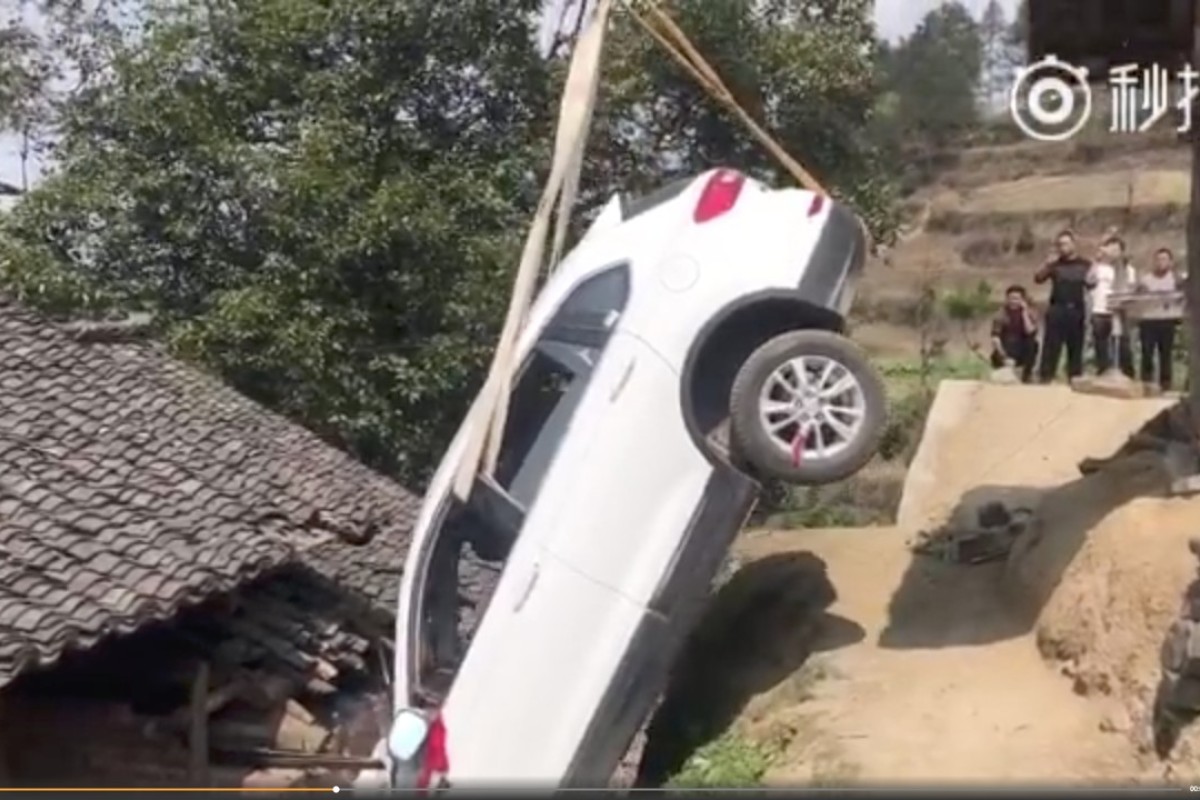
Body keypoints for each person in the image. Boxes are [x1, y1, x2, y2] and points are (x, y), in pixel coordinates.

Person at [1034, 229, 1094, 383]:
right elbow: (1038, 278)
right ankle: (1046, 377)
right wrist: (1046, 264)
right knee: (1051, 345)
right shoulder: (1055, 265)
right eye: (1060, 244)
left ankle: (1074, 377)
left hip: (1076, 309)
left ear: (1074, 244)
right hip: (1057, 308)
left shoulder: (1085, 264)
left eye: (1066, 243)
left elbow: (1091, 284)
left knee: (1076, 346)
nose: (1063, 247)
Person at [1087, 234, 1135, 376]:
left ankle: (1127, 373)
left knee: (1122, 344)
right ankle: (1103, 371)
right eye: (1110, 249)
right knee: (1101, 344)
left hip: (1119, 311)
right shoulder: (1099, 267)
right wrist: (1095, 261)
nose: (1112, 252)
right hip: (1100, 309)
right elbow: (1089, 281)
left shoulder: (1128, 269)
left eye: (1116, 250)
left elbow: (1130, 289)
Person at [1136, 246, 1182, 392]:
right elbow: (1137, 300)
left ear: (1170, 262)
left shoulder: (1176, 280)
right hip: (1149, 322)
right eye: (1159, 259)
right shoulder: (1146, 280)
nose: (1161, 262)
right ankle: (1146, 383)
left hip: (1167, 322)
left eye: (1164, 259)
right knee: (1147, 353)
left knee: (1166, 354)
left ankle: (1166, 385)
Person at [990, 285, 1039, 383]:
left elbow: (1030, 331)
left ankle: (1027, 375)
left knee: (1033, 343)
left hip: (1021, 348)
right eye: (1011, 298)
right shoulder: (1000, 314)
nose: (1013, 301)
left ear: (1022, 300)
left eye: (1016, 299)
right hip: (1005, 348)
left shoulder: (1030, 312)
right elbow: (995, 338)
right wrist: (1004, 357)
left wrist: (1024, 313)